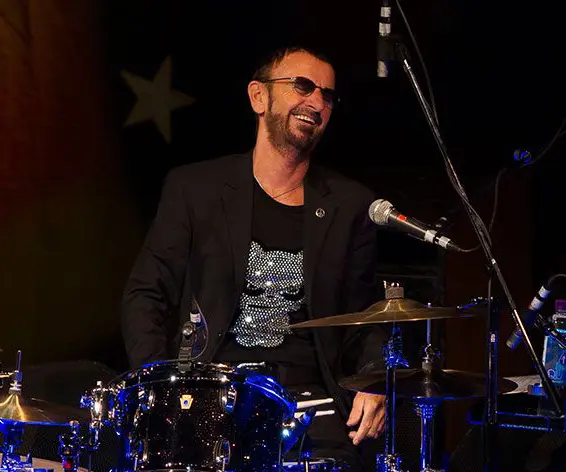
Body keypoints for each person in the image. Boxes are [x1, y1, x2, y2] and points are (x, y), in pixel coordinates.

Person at [121, 45, 388, 471]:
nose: (317, 101)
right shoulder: (196, 188)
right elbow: (145, 295)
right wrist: (161, 387)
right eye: (302, 86)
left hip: (309, 404)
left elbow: (366, 318)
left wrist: (375, 380)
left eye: (328, 95)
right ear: (258, 97)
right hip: (212, 395)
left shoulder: (351, 205)